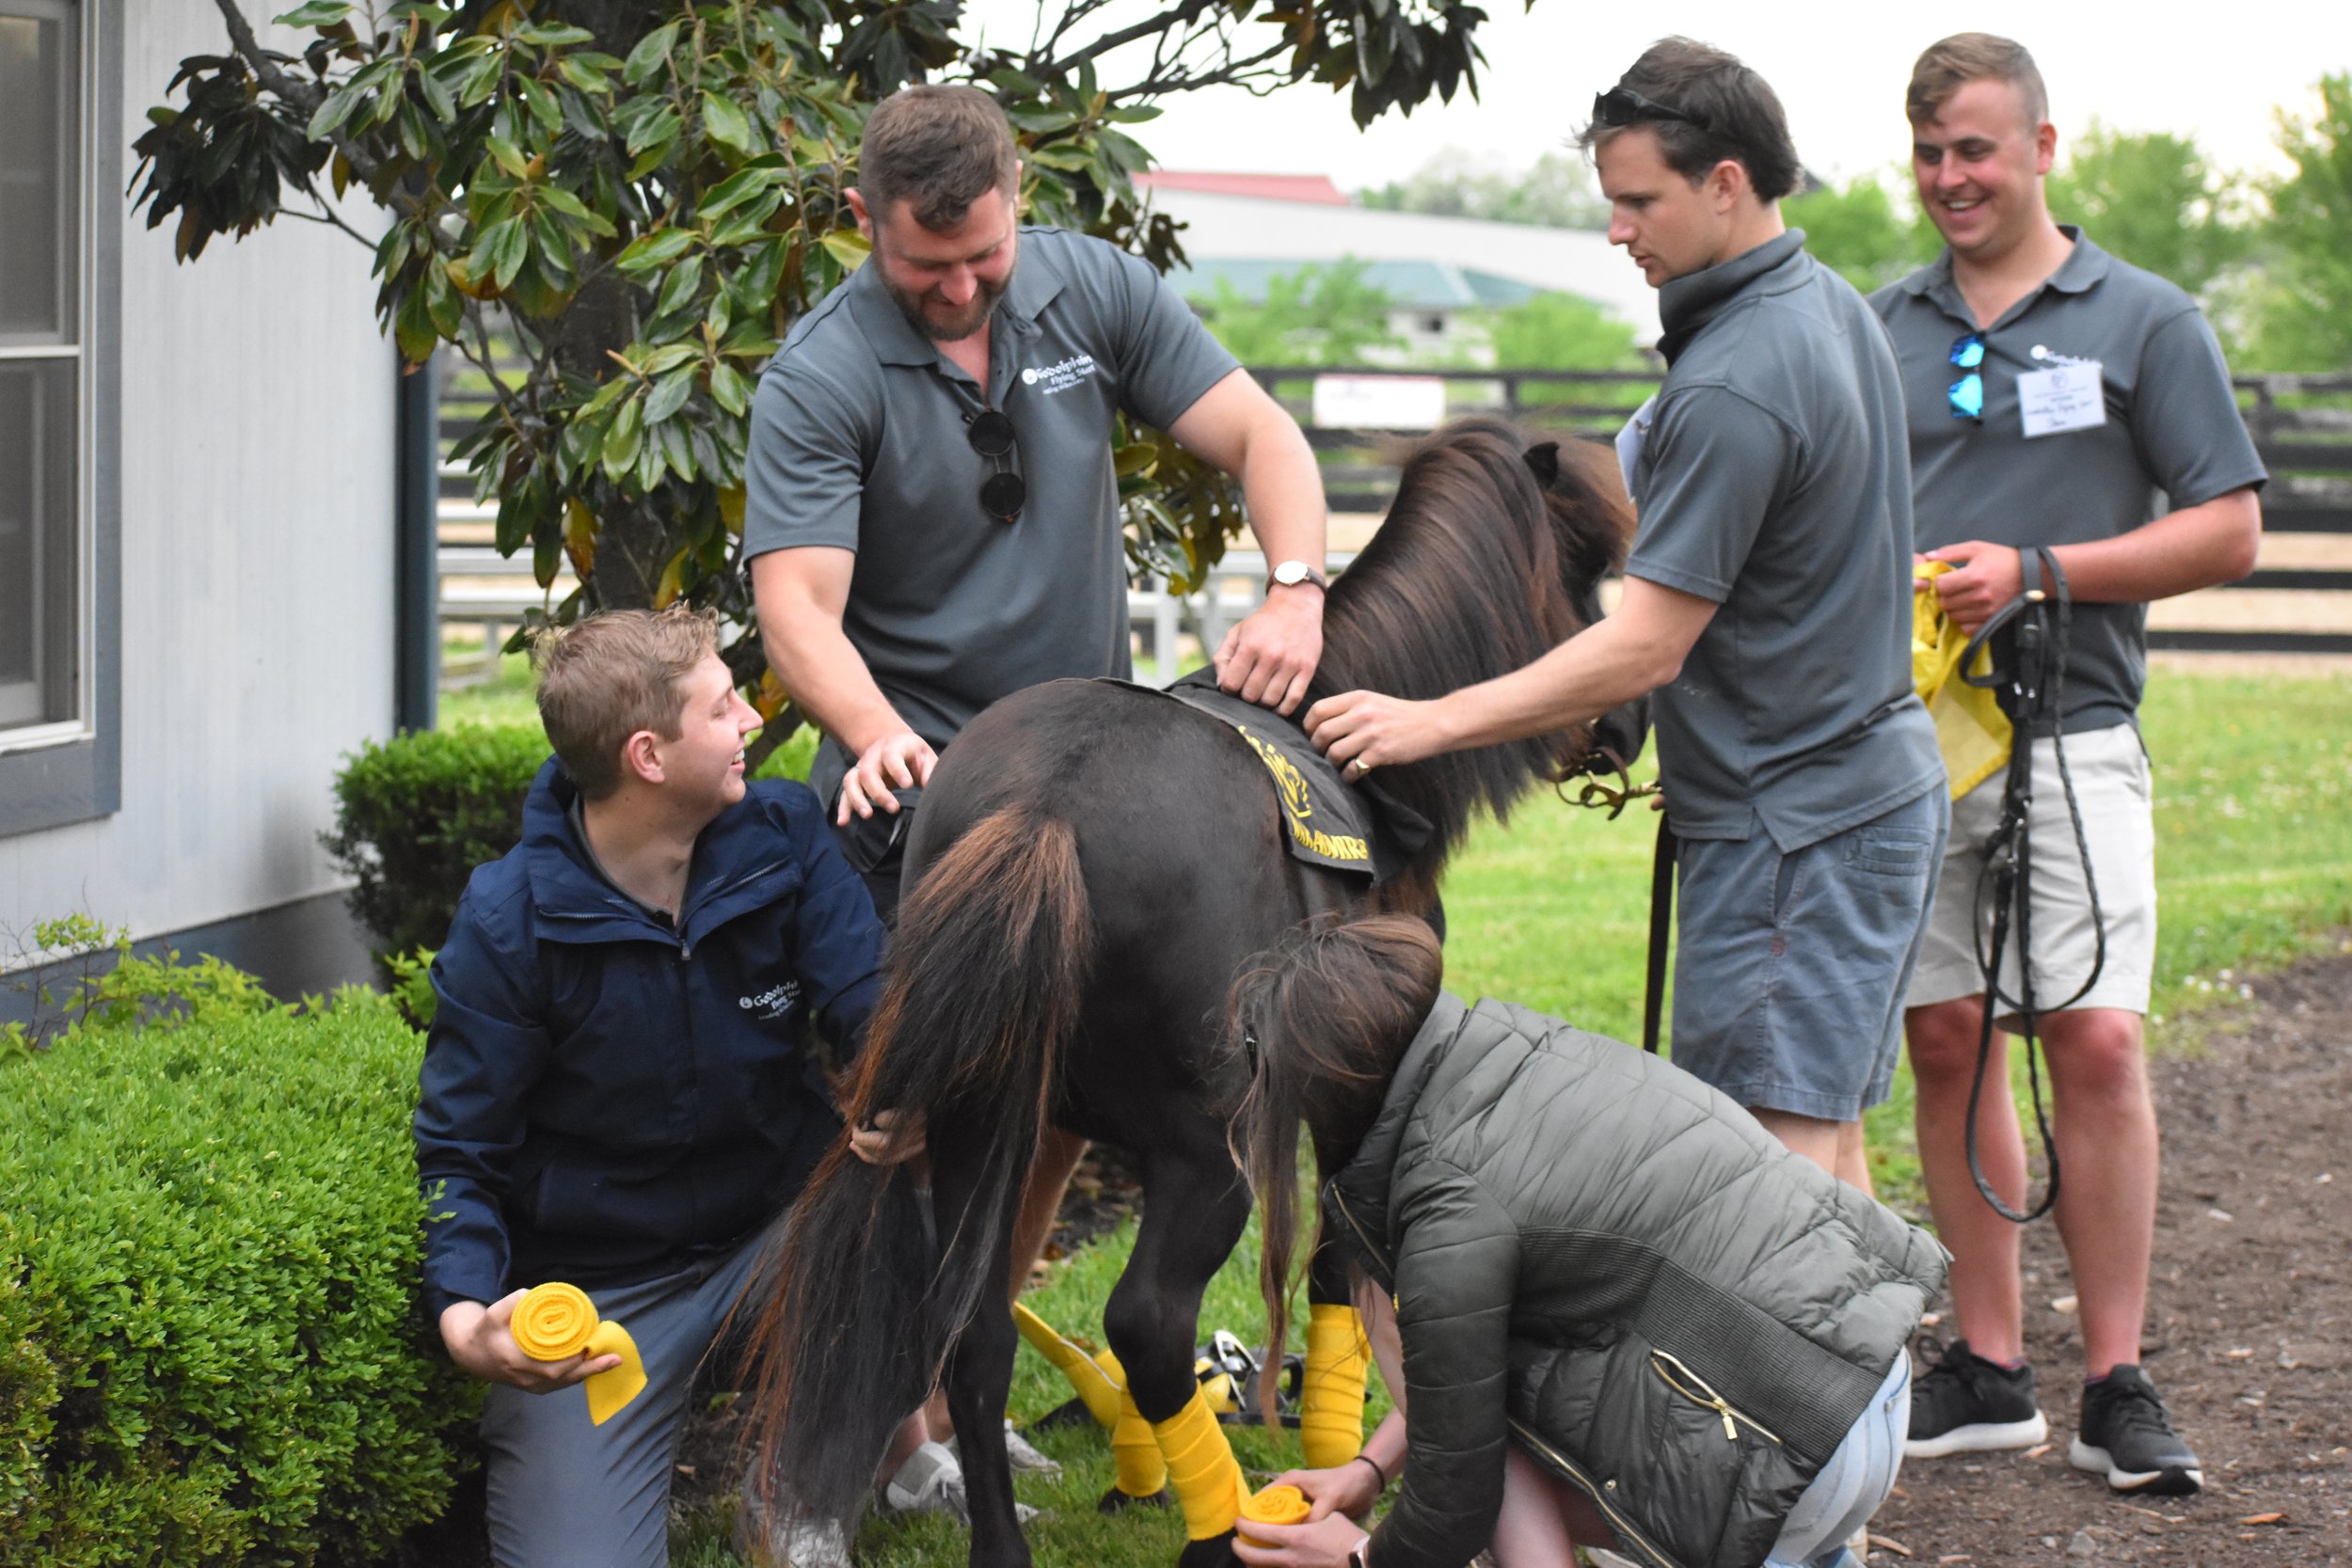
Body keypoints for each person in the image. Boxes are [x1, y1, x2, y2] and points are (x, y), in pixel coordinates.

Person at [743, 80, 1332, 1369]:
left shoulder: (1091, 291)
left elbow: (1261, 433)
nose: (958, 289)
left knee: (1054, 1113)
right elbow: (794, 604)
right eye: (922, 262)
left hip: (1078, 779)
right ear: (861, 219)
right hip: (918, 795)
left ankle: (953, 1401)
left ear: (1020, 201)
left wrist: (1296, 587)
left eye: (982, 257)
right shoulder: (820, 375)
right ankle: (842, 1418)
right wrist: (875, 727)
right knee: (910, 1124)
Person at [1306, 39, 1947, 1188]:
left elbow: (1648, 638)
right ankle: (1875, 1378)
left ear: (1726, 182)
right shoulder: (1830, 311)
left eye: (1638, 200)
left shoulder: (1736, 378)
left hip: (1793, 829)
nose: (1617, 230)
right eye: (1610, 203)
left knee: (1768, 1177)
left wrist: (1427, 721)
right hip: (1855, 797)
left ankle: (1808, 1381)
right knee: (1823, 1154)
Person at [1872, 34, 2265, 1496]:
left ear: (2044, 146)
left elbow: (2228, 528)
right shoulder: (1875, 324)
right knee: (1943, 1033)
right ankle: (1985, 1368)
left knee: (2093, 1037)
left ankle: (2117, 1375)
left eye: (1975, 149)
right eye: (1928, 154)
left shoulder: (2146, 321)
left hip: (2076, 729)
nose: (1950, 179)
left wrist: (2039, 568)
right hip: (1910, 744)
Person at [415, 607, 915, 1568]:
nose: (749, 724)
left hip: (776, 1245)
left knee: (909, 1213)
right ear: (648, 754)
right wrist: (468, 1317)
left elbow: (873, 1002)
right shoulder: (509, 920)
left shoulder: (781, 834)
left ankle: (793, 1493)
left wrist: (907, 1092)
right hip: (601, 1309)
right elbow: (458, 1154)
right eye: (725, 706)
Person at [1220, 915, 1946, 1568]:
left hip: (1783, 1454)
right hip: (1872, 1387)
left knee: (1485, 1442)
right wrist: (1371, 1471)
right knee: (1485, 1381)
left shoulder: (1445, 1200)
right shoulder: (1520, 1051)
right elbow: (1462, 1380)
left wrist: (1359, 1557)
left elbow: (1458, 1488)